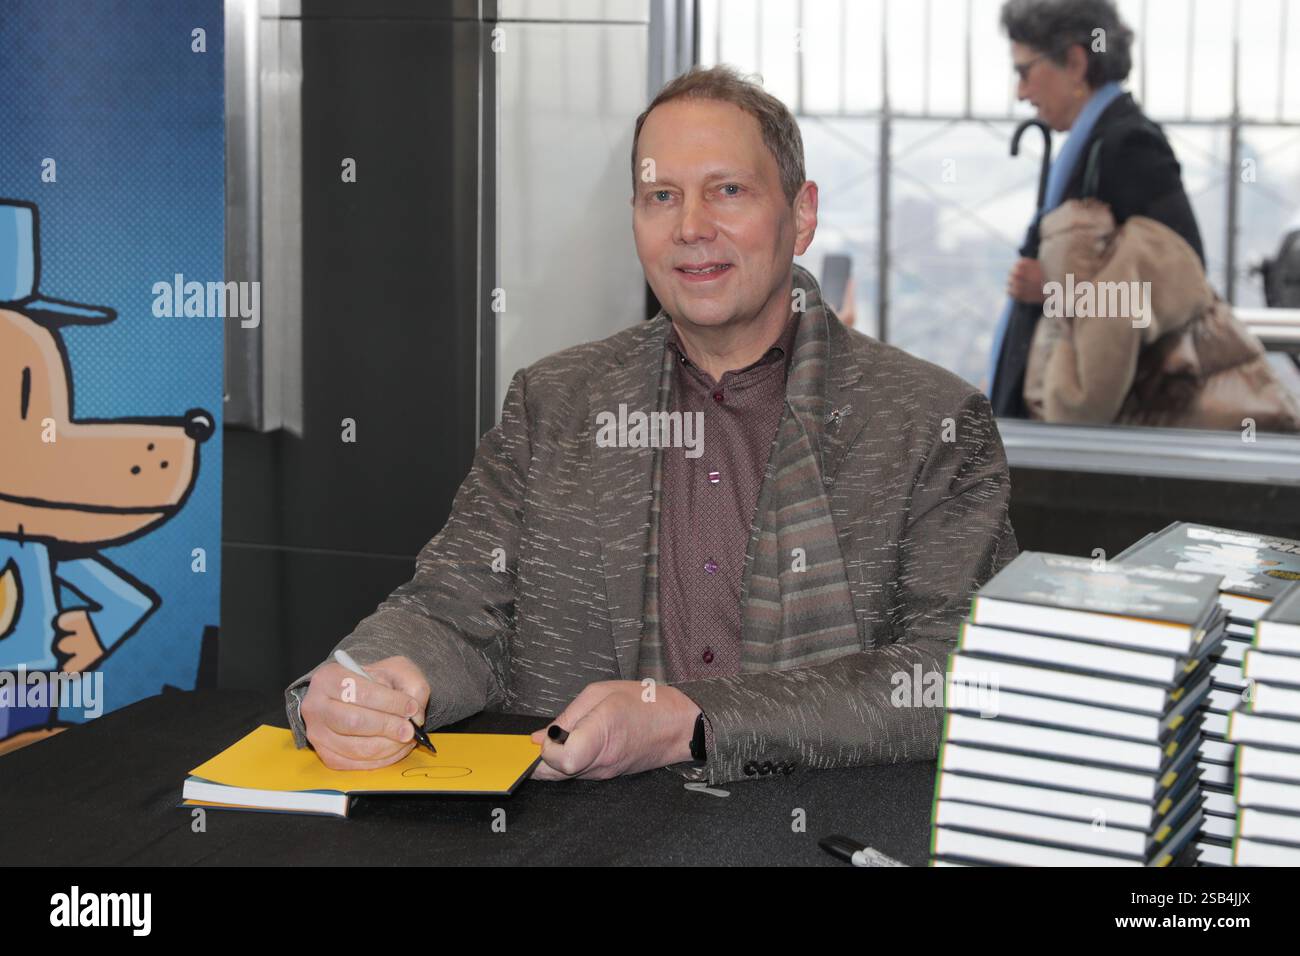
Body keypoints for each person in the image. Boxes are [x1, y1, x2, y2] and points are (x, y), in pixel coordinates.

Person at [285, 65, 1019, 786]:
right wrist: (373, 679)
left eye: (728, 191)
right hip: (574, 840)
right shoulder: (555, 404)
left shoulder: (930, 423)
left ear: (801, 214)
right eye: (660, 196)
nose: (692, 227)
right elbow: (452, 608)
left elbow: (954, 673)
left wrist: (693, 721)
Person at [988, 0, 1204, 419]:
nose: (1020, 92)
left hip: (1093, 432)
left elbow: (1185, 276)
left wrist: (1051, 289)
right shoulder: (1096, 141)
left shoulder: (1126, 145)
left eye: (1024, 71)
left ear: (1074, 62)